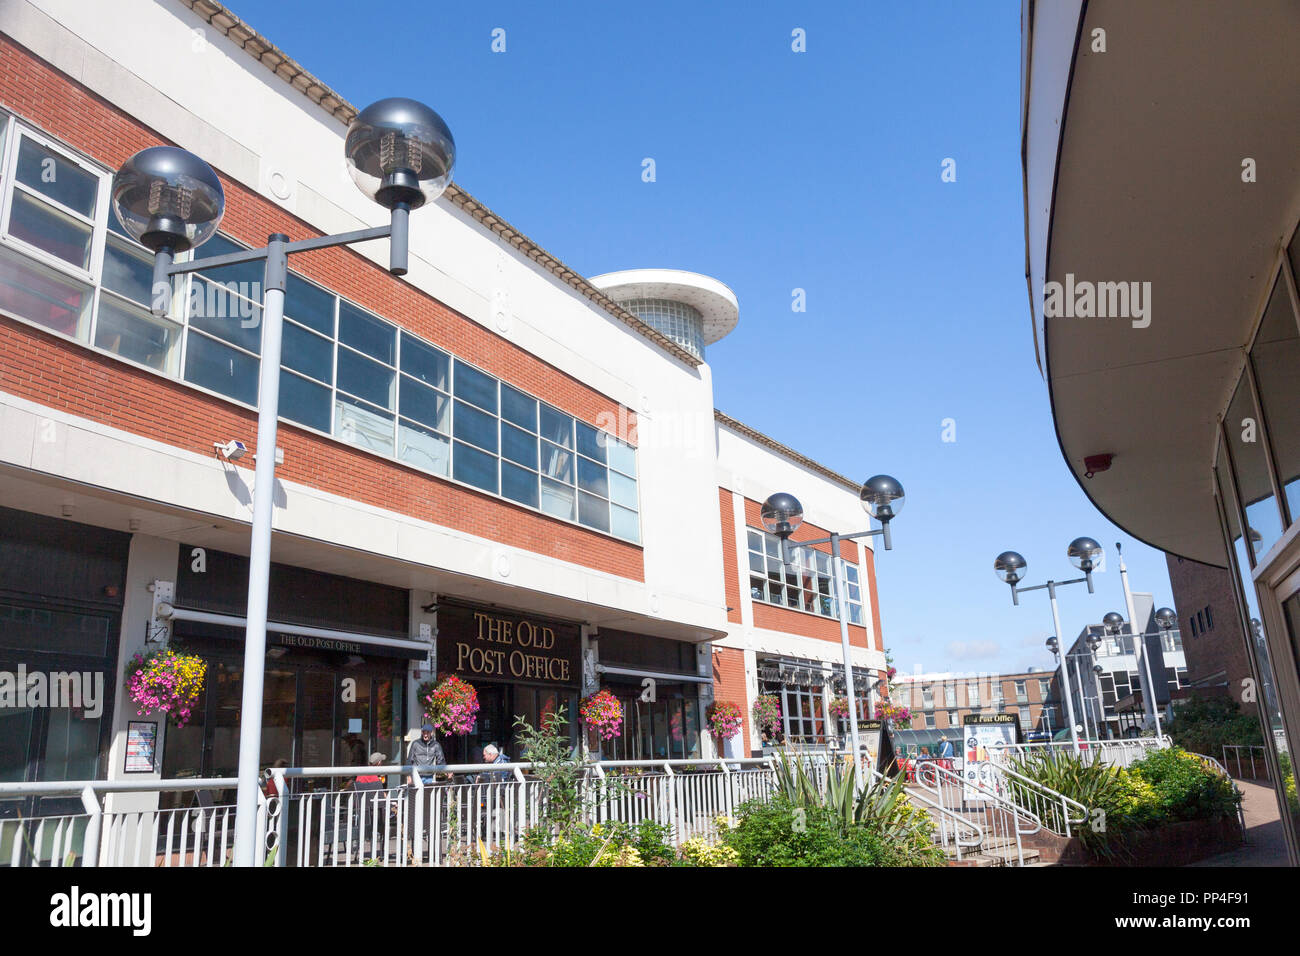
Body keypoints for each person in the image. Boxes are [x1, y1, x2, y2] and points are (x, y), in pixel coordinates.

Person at [406, 723, 445, 852]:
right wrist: (409, 775)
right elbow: (409, 761)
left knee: (428, 806)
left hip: (429, 777)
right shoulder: (416, 744)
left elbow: (441, 760)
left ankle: (428, 828)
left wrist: (445, 770)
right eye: (424, 732)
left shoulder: (436, 745)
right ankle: (415, 835)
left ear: (431, 733)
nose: (425, 734)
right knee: (415, 806)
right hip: (417, 776)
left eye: (427, 732)